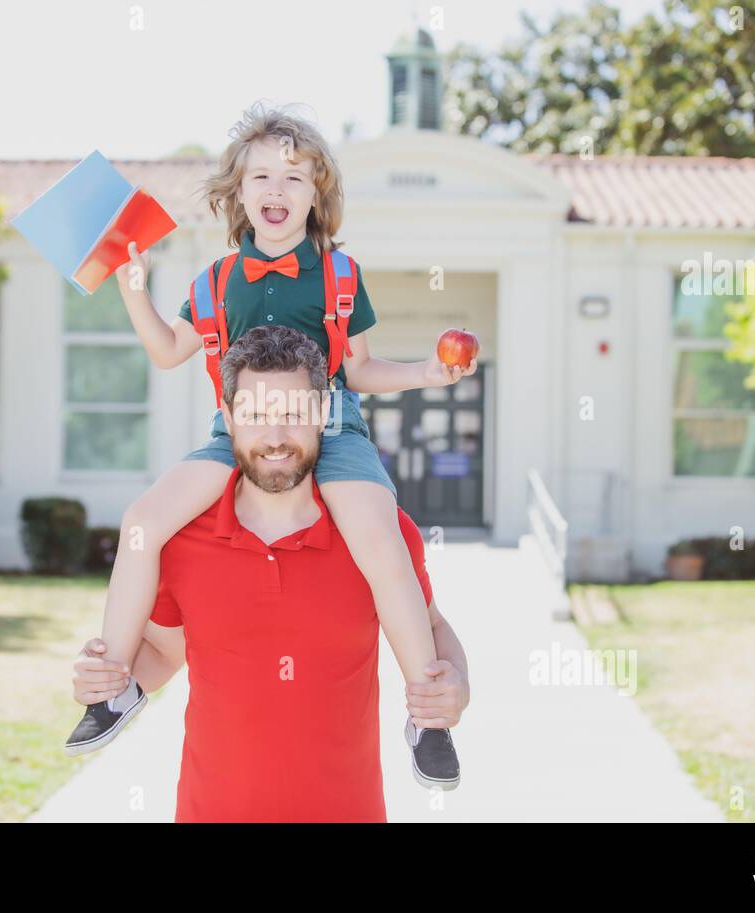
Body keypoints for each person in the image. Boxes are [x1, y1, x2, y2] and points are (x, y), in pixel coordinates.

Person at [65, 103, 477, 789]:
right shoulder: (216, 281)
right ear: (238, 193)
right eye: (261, 176)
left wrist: (427, 374)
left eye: (294, 176)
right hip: (237, 431)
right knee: (142, 522)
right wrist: (135, 292)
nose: (276, 189)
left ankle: (427, 712)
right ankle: (113, 686)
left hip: (333, 423)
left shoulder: (341, 275)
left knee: (379, 535)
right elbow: (169, 350)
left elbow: (363, 369)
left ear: (318, 195)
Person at [72, 325, 470, 821]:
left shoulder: (379, 534)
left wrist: (455, 686)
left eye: (294, 415)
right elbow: (164, 652)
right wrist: (106, 674)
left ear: (324, 414)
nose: (276, 437)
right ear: (229, 418)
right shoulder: (181, 540)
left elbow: (431, 628)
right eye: (257, 415)